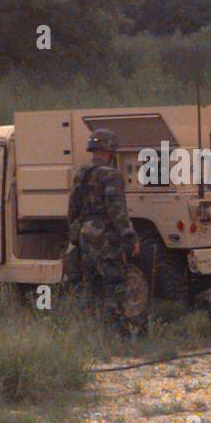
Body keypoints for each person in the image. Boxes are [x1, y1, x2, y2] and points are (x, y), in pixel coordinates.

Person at [66, 128, 139, 322]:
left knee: (88, 284)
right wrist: (129, 237)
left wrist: (75, 233)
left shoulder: (81, 173)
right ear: (111, 151)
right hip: (105, 236)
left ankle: (87, 327)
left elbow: (72, 207)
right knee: (113, 283)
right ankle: (113, 328)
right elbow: (117, 210)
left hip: (84, 234)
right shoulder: (111, 176)